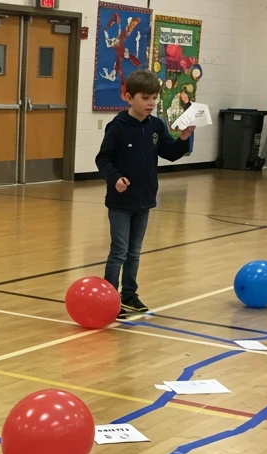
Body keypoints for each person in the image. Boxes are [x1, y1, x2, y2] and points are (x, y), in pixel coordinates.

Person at [96, 69, 195, 318]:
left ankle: (129, 295)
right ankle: (109, 296)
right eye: (145, 98)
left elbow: (170, 152)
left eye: (154, 98)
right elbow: (103, 158)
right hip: (120, 201)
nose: (151, 103)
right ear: (129, 97)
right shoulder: (117, 126)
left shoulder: (156, 126)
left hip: (145, 199)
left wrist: (182, 138)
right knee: (119, 250)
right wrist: (115, 178)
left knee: (134, 251)